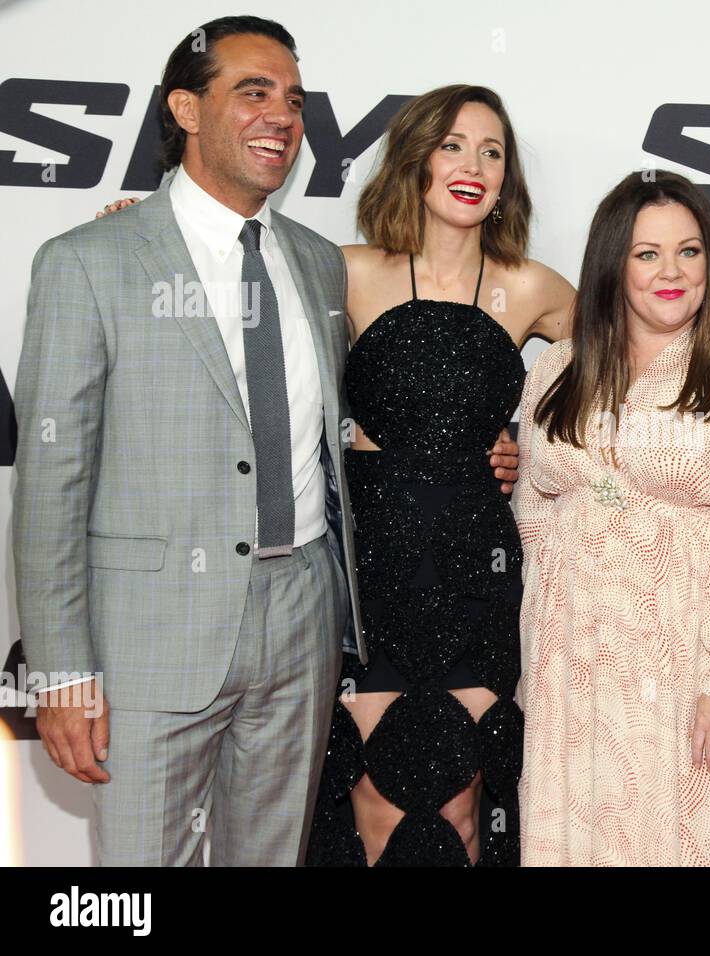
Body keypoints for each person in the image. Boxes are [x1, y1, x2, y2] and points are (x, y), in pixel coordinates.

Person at [15, 15, 362, 866]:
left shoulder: (319, 261)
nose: (282, 114)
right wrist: (62, 669)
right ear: (186, 109)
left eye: (293, 98)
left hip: (301, 613)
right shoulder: (92, 261)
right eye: (253, 92)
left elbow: (319, 435)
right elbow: (51, 481)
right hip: (150, 632)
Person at [304, 85, 573, 867]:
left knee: (463, 805)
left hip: (476, 574)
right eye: (453, 145)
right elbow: (228, 301)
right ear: (416, 158)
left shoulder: (528, 285)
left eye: (493, 151)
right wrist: (135, 229)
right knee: (374, 803)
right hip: (372, 572)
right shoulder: (343, 271)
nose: (474, 165)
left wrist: (531, 443)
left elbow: (642, 352)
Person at [514, 170, 710, 866]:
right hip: (577, 666)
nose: (670, 272)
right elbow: (533, 508)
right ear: (614, 263)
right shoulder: (555, 370)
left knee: (701, 837)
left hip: (695, 665)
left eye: (689, 251)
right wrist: (541, 650)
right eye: (647, 253)